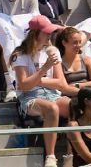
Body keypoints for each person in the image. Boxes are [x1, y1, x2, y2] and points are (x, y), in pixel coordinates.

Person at [11, 14, 71, 167]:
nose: (50, 35)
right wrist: (45, 68)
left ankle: (70, 155)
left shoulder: (52, 51)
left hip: (52, 94)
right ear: (35, 34)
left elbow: (61, 83)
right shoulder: (20, 55)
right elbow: (24, 86)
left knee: (73, 106)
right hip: (29, 97)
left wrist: (37, 79)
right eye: (46, 32)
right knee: (52, 108)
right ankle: (51, 156)